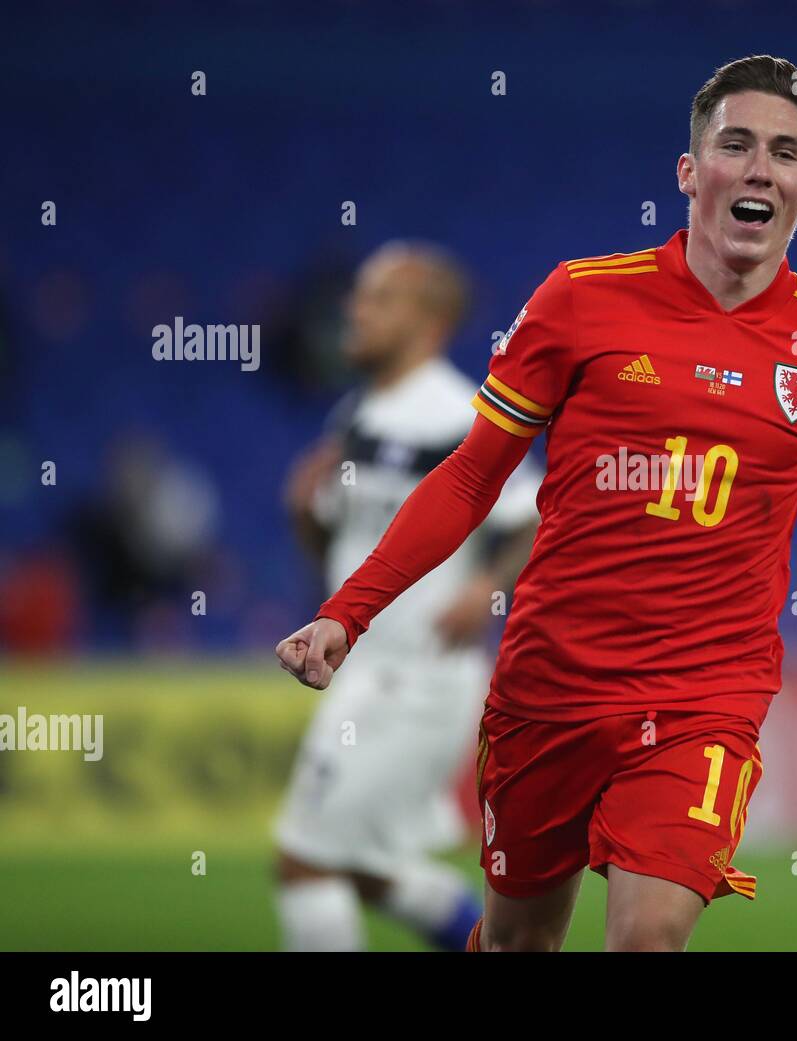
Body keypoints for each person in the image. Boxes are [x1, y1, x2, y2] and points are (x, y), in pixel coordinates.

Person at [276, 55, 797, 953]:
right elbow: (472, 478)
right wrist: (345, 614)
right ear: (689, 171)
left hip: (706, 697)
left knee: (648, 935)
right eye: (734, 144)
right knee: (516, 941)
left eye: (783, 154)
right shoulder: (581, 300)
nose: (758, 169)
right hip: (548, 689)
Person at [274, 242, 540, 951]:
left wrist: (487, 584)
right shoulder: (356, 414)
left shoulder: (455, 413)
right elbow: (338, 549)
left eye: (376, 298)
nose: (354, 311)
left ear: (428, 321)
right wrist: (307, 513)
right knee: (365, 869)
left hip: (418, 672)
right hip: (365, 668)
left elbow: (529, 515)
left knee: (305, 862)